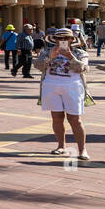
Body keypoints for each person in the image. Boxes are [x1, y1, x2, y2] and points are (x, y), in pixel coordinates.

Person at [34, 27, 90, 160]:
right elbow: (37, 65)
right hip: (51, 86)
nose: (63, 40)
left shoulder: (79, 52)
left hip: (72, 87)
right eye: (60, 38)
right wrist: (49, 58)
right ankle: (61, 146)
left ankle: (82, 150)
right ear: (55, 40)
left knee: (75, 119)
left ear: (72, 39)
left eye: (66, 38)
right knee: (57, 117)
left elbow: (83, 68)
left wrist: (70, 56)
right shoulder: (47, 51)